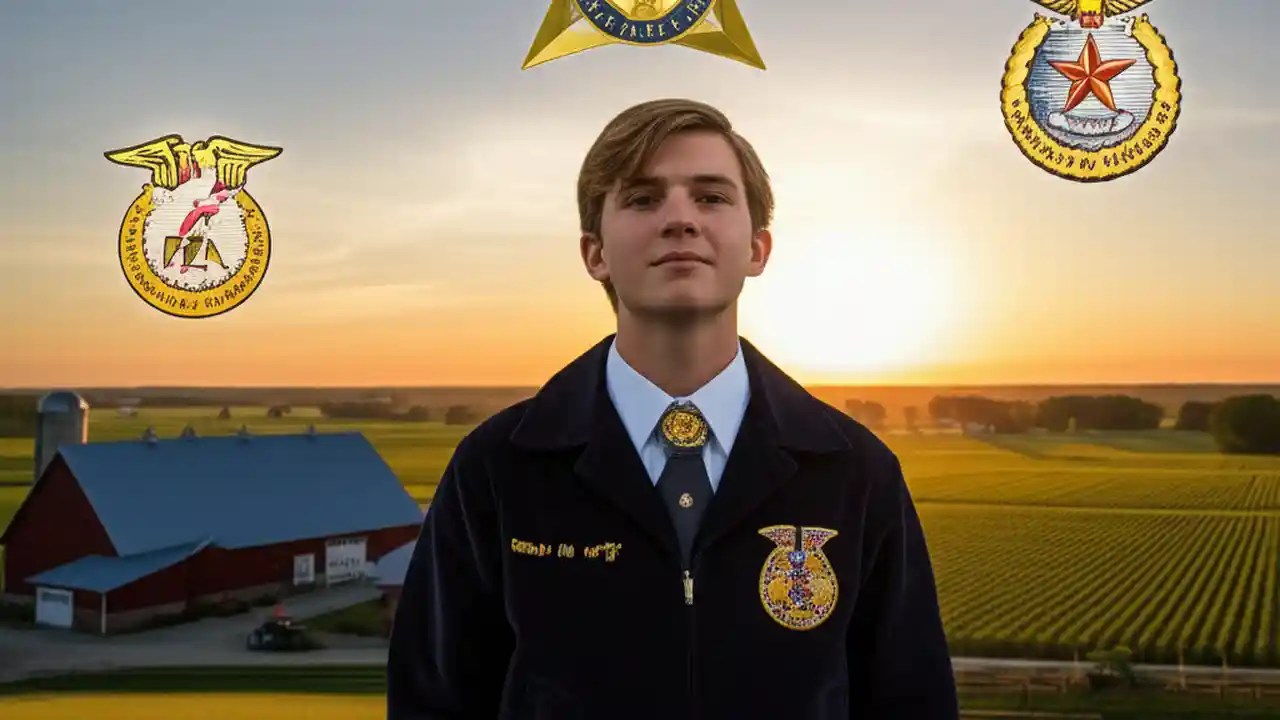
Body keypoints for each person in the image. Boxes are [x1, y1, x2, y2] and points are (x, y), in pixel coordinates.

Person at [387, 98, 959, 719]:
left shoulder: (855, 472)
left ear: (758, 248)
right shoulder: (497, 468)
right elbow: (433, 698)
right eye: (641, 198)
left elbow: (911, 698)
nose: (680, 219)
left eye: (711, 197)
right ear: (595, 252)